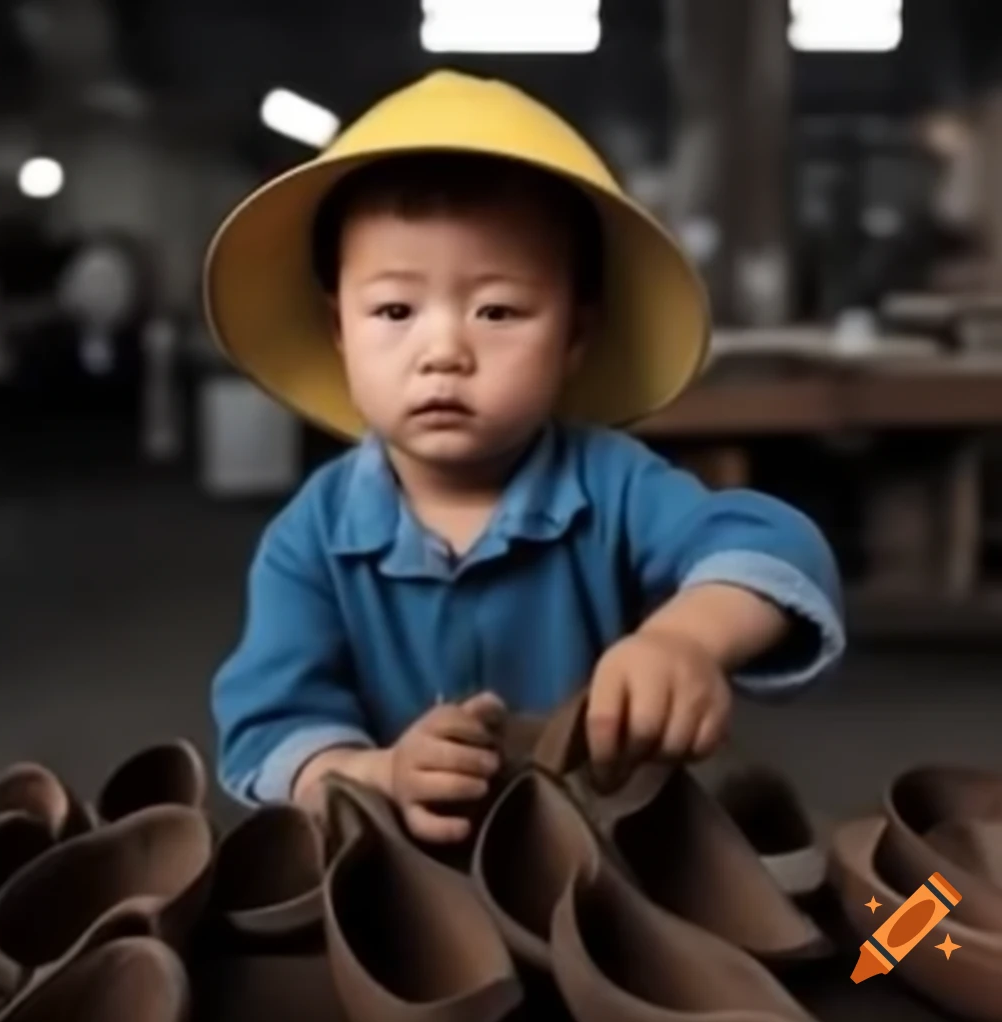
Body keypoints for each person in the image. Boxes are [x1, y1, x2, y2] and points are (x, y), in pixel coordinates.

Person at [206, 71, 844, 844]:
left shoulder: (614, 487)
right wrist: (375, 774)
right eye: (395, 310)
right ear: (340, 328)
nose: (444, 351)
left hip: (607, 859)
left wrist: (686, 640)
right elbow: (272, 726)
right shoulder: (311, 537)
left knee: (886, 902)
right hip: (397, 875)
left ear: (575, 334)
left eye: (497, 310)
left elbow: (776, 545)